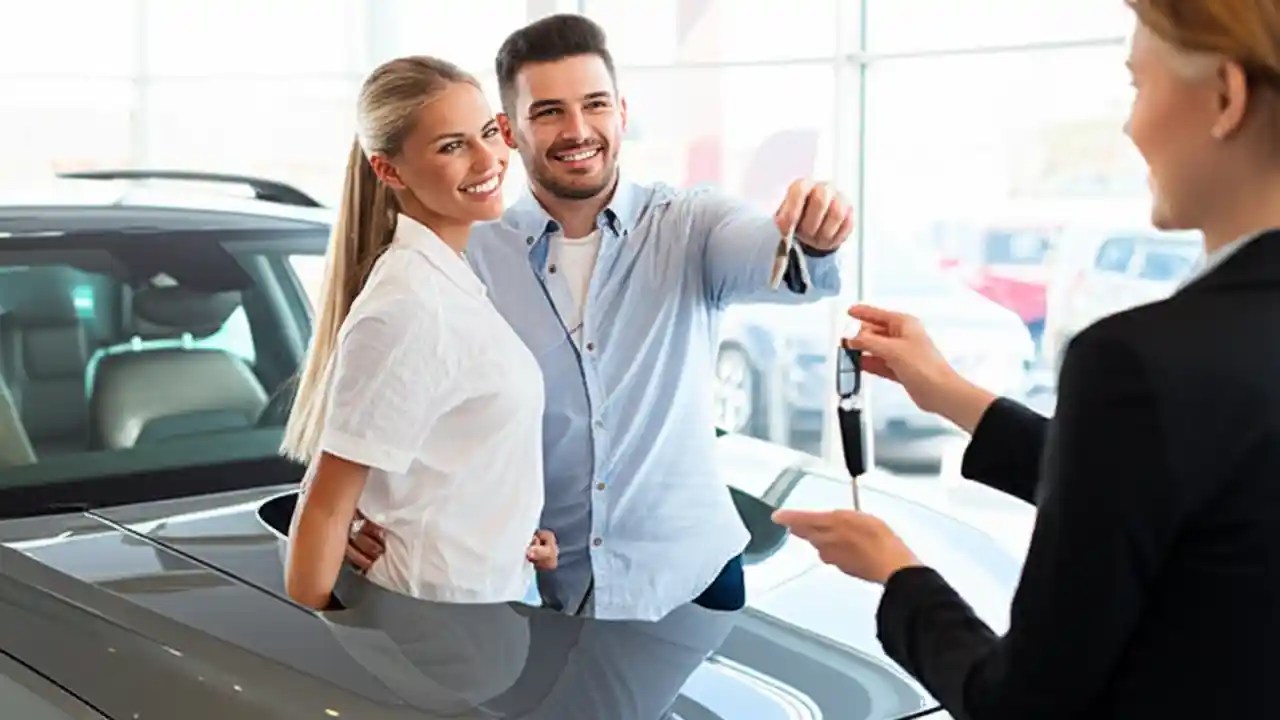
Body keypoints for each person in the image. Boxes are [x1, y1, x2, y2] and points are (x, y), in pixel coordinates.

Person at [774, 1, 1280, 717]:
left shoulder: (1137, 360)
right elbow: (1171, 490)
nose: (1131, 126)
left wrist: (897, 574)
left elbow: (1021, 705)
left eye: (1138, 87)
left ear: (1225, 97)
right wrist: (950, 393)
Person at [349, 14, 854, 623]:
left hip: (689, 582)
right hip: (533, 586)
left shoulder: (692, 226)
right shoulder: (466, 258)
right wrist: (359, 506)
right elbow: (391, 408)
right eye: (549, 112)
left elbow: (775, 252)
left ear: (622, 111)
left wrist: (815, 234)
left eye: (594, 105)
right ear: (508, 129)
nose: (578, 130)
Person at [279, 56, 558, 611]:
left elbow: (445, 453)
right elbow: (326, 509)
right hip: (436, 622)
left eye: (486, 133)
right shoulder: (410, 306)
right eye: (451, 146)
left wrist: (506, 529)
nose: (488, 159)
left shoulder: (450, 279)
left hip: (483, 605)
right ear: (389, 171)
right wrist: (341, 642)